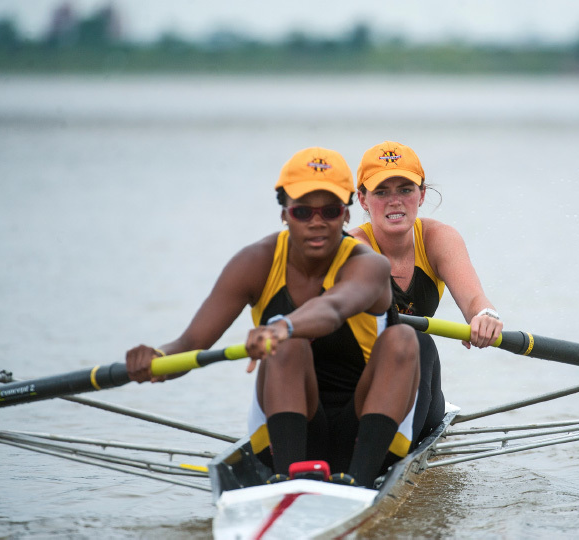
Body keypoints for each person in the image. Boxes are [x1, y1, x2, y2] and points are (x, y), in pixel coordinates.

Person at [126, 146, 420, 489]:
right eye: (302, 212)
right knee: (289, 347)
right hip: (284, 435)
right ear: (284, 213)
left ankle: (362, 483)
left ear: (346, 215)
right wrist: (158, 359)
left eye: (329, 210)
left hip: (365, 431)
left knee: (404, 339)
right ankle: (287, 482)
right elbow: (191, 343)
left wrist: (283, 326)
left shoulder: (369, 264)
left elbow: (334, 307)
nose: (317, 223)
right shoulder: (255, 262)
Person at [349, 140, 503, 443]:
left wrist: (485, 316)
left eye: (405, 190)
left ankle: (392, 450)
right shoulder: (353, 246)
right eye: (381, 192)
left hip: (414, 382)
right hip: (356, 385)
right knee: (416, 341)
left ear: (421, 195)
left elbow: (474, 300)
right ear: (363, 200)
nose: (395, 201)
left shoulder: (438, 238)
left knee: (420, 345)